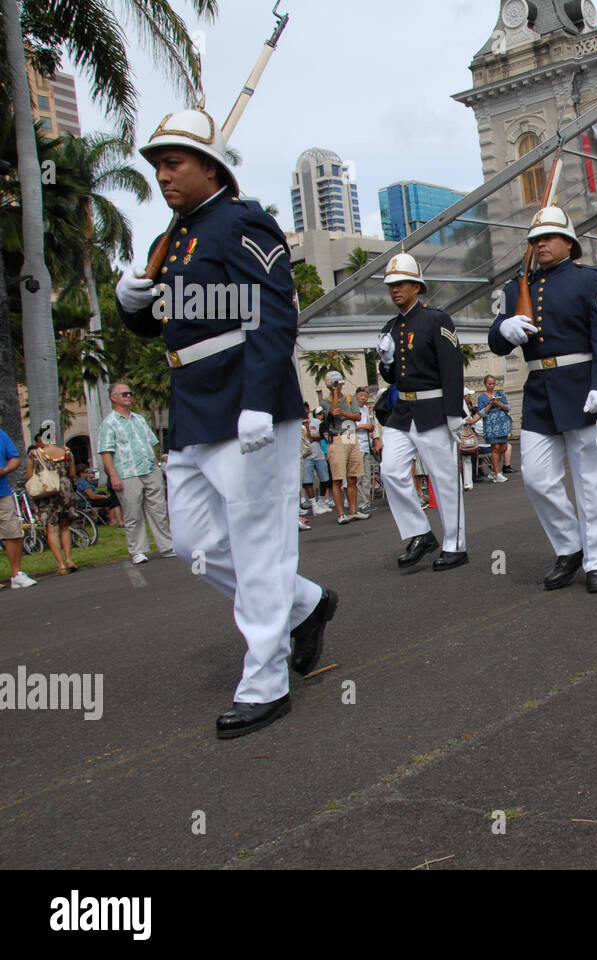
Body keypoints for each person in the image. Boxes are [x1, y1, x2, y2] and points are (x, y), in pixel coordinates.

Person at [114, 105, 336, 739]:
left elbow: (274, 315)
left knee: (261, 544)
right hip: (193, 402)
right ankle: (305, 603)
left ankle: (265, 682)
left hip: (245, 397)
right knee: (194, 544)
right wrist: (135, 304)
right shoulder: (173, 239)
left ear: (210, 167)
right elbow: (166, 322)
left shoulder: (244, 222)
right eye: (156, 165)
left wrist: (261, 401)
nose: (162, 175)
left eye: (173, 162)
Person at [488, 205, 597, 592]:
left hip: (584, 386)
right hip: (540, 392)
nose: (540, 243)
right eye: (535, 239)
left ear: (569, 242)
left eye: (548, 237)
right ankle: (570, 545)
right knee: (536, 477)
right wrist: (505, 328)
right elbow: (495, 339)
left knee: (591, 478)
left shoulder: (590, 280)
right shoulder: (517, 288)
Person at [375, 252, 468, 571]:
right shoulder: (390, 326)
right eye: (391, 285)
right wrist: (385, 362)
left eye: (401, 283)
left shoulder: (436, 319)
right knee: (390, 471)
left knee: (444, 480)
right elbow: (391, 377)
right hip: (402, 411)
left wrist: (454, 411)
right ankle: (419, 532)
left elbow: (452, 368)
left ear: (417, 286)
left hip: (433, 408)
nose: (395, 290)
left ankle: (456, 545)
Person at [97, 381, 174, 564]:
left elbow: (150, 443)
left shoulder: (139, 418)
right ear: (113, 398)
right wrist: (113, 475)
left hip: (148, 468)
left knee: (159, 509)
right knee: (133, 513)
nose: (128, 396)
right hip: (127, 472)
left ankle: (167, 545)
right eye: (124, 394)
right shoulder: (109, 423)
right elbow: (106, 452)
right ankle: (138, 550)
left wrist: (156, 464)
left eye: (129, 393)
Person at [27, 435, 79, 575]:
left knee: (52, 529)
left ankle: (61, 565)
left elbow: (30, 475)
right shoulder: (66, 453)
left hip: (48, 490)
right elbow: (73, 473)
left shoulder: (35, 454)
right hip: (64, 489)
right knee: (65, 526)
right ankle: (69, 559)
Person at [321, 370, 367, 524]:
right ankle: (341, 513)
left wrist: (344, 413)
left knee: (353, 476)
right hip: (337, 439)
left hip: (351, 438)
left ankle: (353, 510)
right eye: (334, 383)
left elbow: (358, 416)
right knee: (338, 478)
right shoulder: (326, 400)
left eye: (339, 383)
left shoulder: (349, 398)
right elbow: (333, 413)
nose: (338, 386)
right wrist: (334, 394)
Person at [0, 421, 35, 589]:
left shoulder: (1, 435)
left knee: (13, 532)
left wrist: (5, 470)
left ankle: (16, 575)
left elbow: (14, 459)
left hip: (3, 493)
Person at [476, 375, 512, 484]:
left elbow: (508, 407)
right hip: (491, 425)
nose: (491, 386)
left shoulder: (500, 394)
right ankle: (497, 473)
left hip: (502, 423)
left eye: (493, 384)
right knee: (495, 447)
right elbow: (481, 412)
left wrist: (499, 404)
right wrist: (490, 405)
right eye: (489, 384)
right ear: (485, 384)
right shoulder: (481, 397)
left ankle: (493, 470)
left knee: (503, 447)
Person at [301, 405, 331, 516]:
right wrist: (311, 435)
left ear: (309, 409)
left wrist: (311, 437)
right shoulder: (298, 424)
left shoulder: (316, 422)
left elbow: (322, 435)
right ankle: (314, 505)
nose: (304, 411)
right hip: (306, 456)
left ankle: (322, 501)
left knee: (325, 479)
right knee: (308, 481)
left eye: (305, 408)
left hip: (319, 454)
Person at [355, 385, 379, 513]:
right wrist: (365, 426)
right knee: (359, 476)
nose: (364, 398)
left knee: (367, 475)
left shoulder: (365, 409)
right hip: (356, 444)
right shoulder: (352, 408)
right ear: (356, 396)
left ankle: (366, 502)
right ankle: (360, 503)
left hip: (366, 444)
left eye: (365, 396)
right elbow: (352, 427)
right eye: (361, 396)